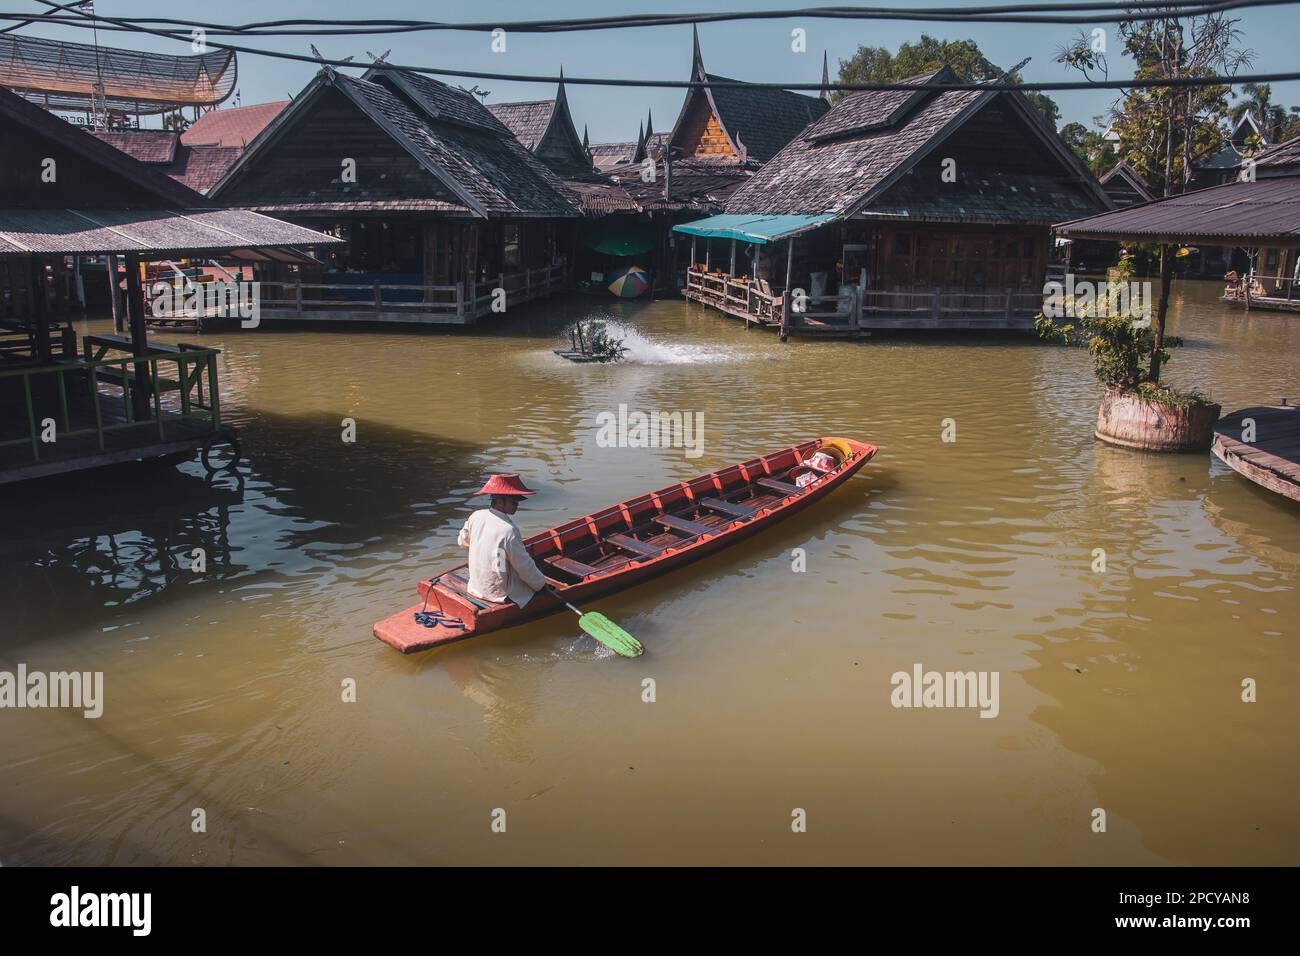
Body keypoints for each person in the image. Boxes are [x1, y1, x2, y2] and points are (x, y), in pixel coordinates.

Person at [457, 474, 547, 608]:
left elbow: (462, 542)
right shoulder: (508, 530)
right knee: (532, 582)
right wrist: (542, 585)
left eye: (517, 502)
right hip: (498, 595)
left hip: (475, 587)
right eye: (513, 502)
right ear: (499, 501)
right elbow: (524, 567)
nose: (517, 505)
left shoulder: (476, 516)